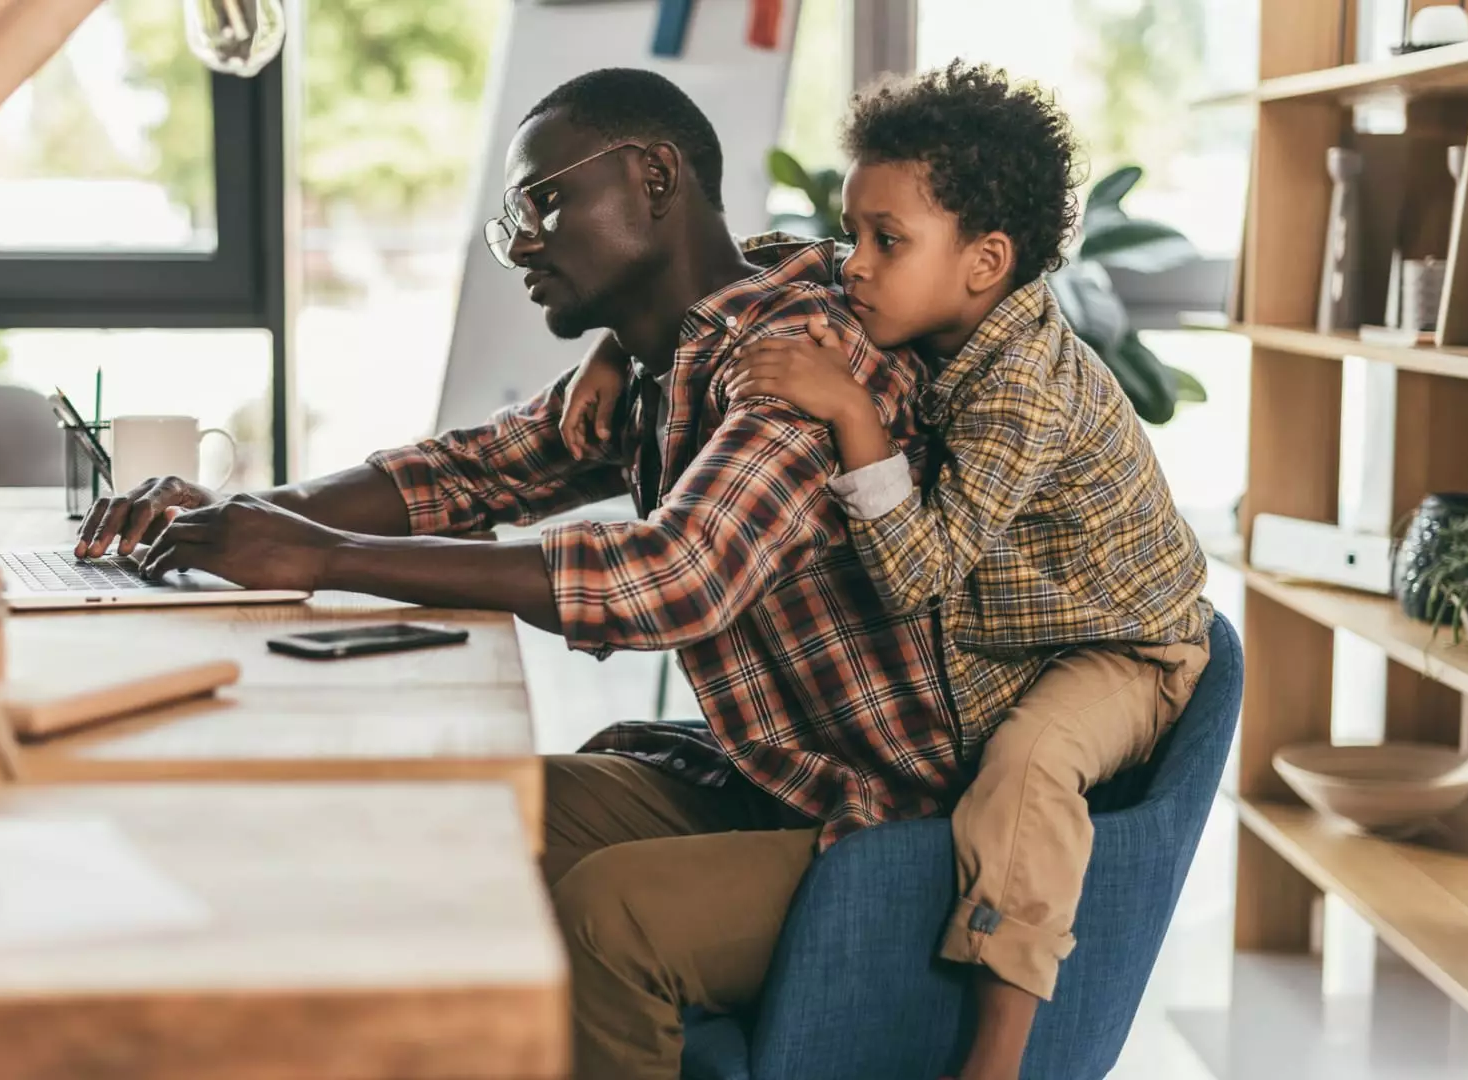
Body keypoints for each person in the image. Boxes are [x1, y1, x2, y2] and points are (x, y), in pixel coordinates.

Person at [77, 68, 964, 1080]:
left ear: (655, 179)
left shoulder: (802, 359)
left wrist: (323, 559)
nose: (525, 242)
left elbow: (673, 575)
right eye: (514, 217)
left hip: (884, 828)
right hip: (762, 781)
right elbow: (466, 472)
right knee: (464, 821)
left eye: (546, 200)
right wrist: (251, 517)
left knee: (606, 915)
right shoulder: (658, 362)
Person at [559, 61, 1214, 1080]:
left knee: (1029, 767)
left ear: (986, 262)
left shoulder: (1022, 392)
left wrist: (854, 415)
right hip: (1018, 620)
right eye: (856, 230)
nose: (853, 265)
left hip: (1122, 643)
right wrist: (622, 346)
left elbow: (921, 574)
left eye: (886, 242)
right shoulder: (911, 304)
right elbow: (777, 261)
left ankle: (998, 1054)